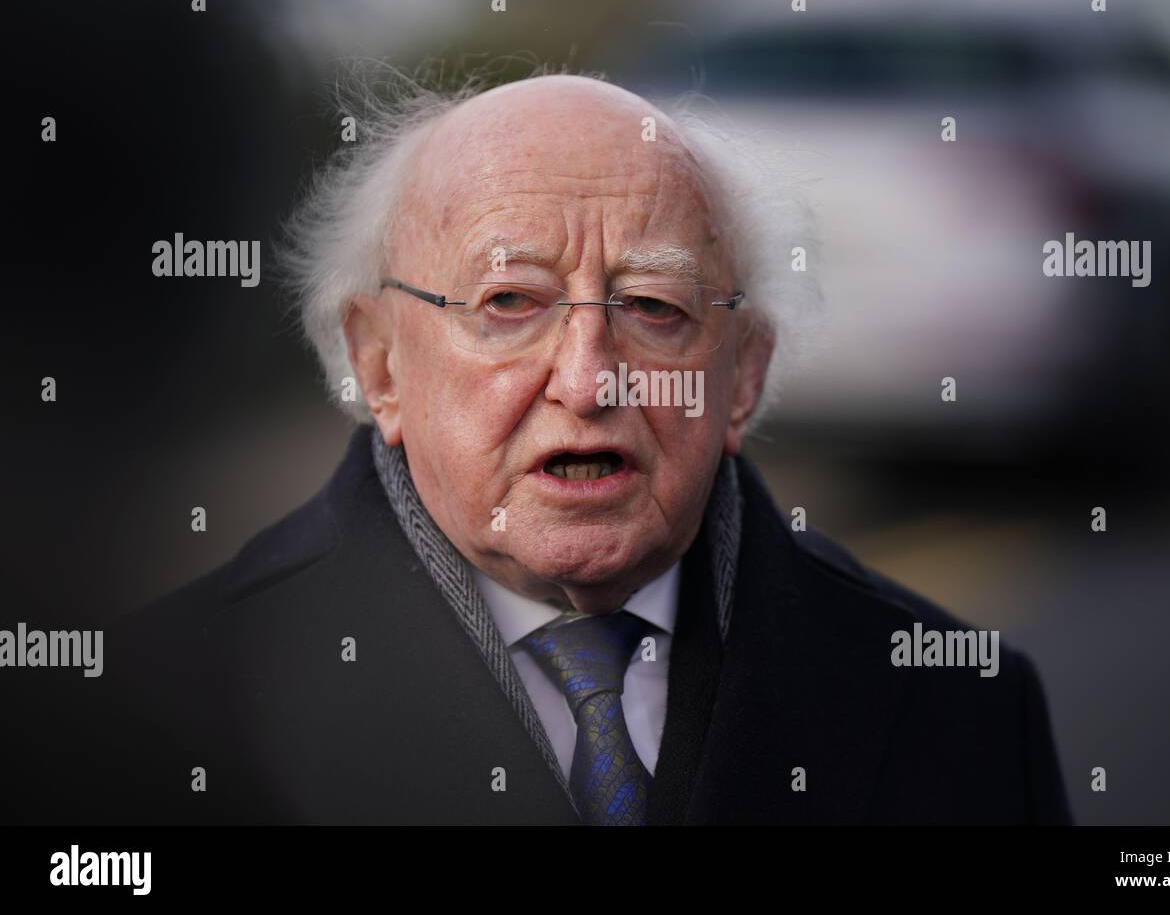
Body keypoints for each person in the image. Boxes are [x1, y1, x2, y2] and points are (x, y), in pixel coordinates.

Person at [85, 71, 1071, 825]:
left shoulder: (961, 700)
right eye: (508, 302)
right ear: (378, 364)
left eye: (651, 307)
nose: (589, 377)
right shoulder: (149, 725)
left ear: (743, 376)